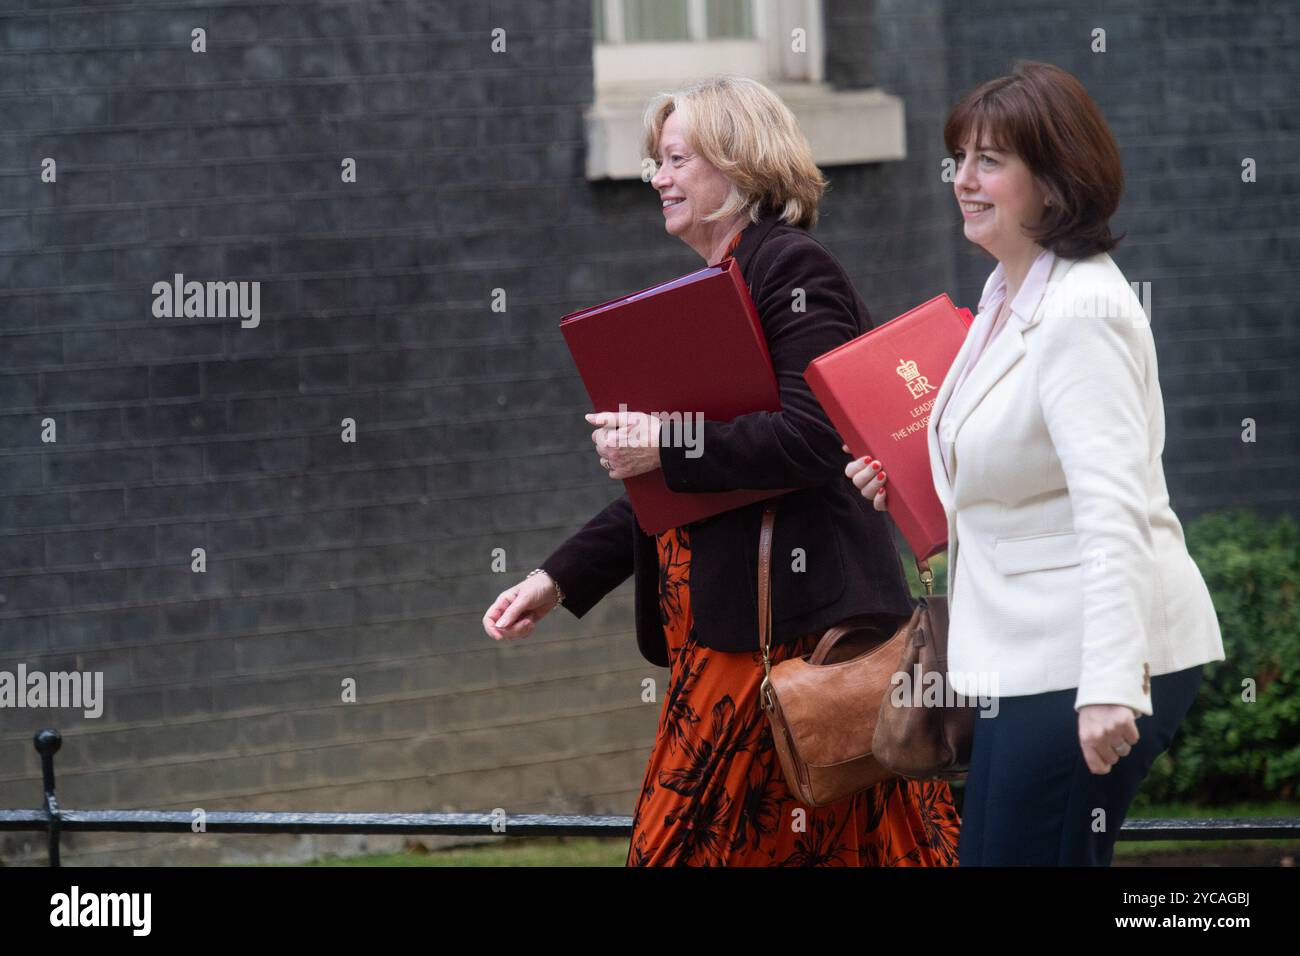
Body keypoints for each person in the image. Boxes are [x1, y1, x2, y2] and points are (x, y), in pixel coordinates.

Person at [484, 74, 960, 866]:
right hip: (729, 648)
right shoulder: (717, 285)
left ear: (738, 164)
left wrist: (665, 443)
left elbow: (817, 436)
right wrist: (558, 578)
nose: (657, 179)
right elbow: (682, 487)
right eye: (653, 162)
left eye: (675, 159)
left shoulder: (792, 270)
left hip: (791, 650)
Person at [845, 61, 1226, 865]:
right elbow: (1014, 475)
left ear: (1054, 182)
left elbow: (1112, 507)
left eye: (991, 161)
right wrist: (910, 491)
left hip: (1087, 663)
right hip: (1028, 658)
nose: (964, 180)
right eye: (959, 159)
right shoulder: (1005, 293)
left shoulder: (1078, 312)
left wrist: (1112, 685)